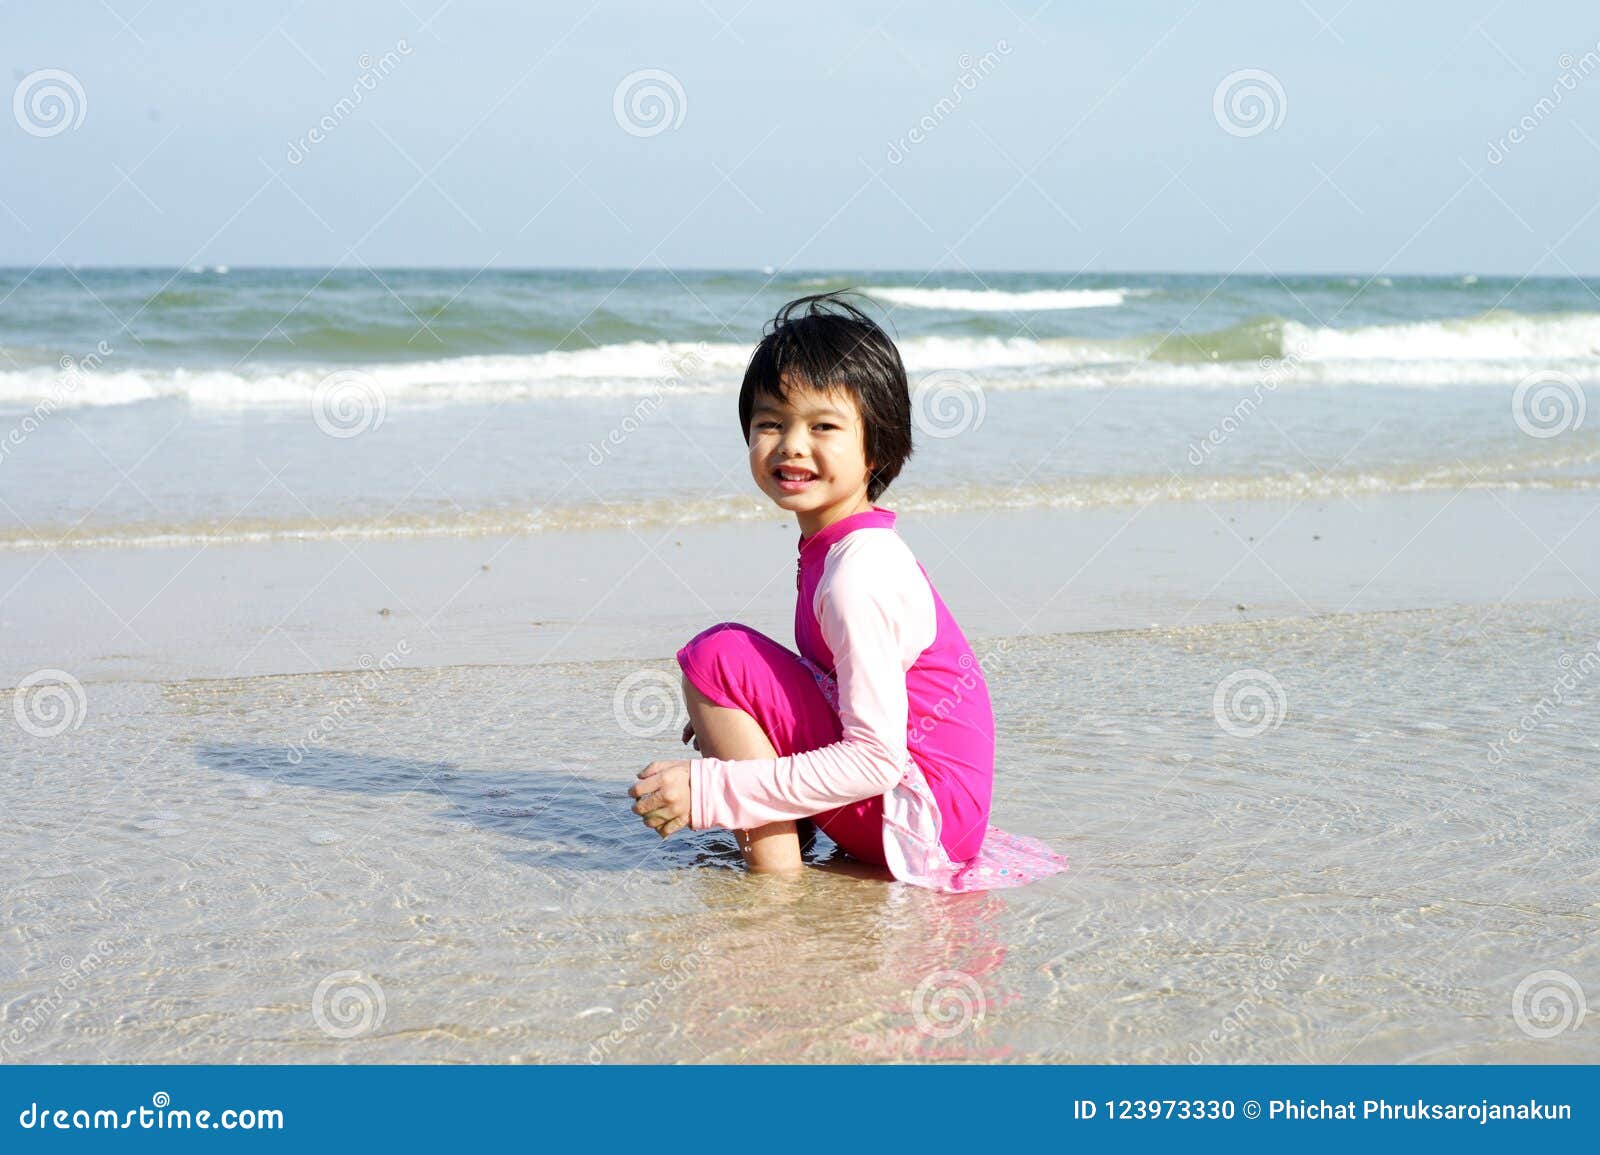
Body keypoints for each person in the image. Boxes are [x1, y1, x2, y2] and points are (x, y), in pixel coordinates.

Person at [628, 292, 1066, 892]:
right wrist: (751, 724)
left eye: (823, 426)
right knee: (731, 668)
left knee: (716, 657)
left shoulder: (859, 574)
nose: (791, 445)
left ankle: (776, 885)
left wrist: (714, 788)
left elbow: (876, 759)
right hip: (934, 809)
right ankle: (790, 830)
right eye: (770, 423)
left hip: (918, 819)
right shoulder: (839, 551)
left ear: (877, 448)